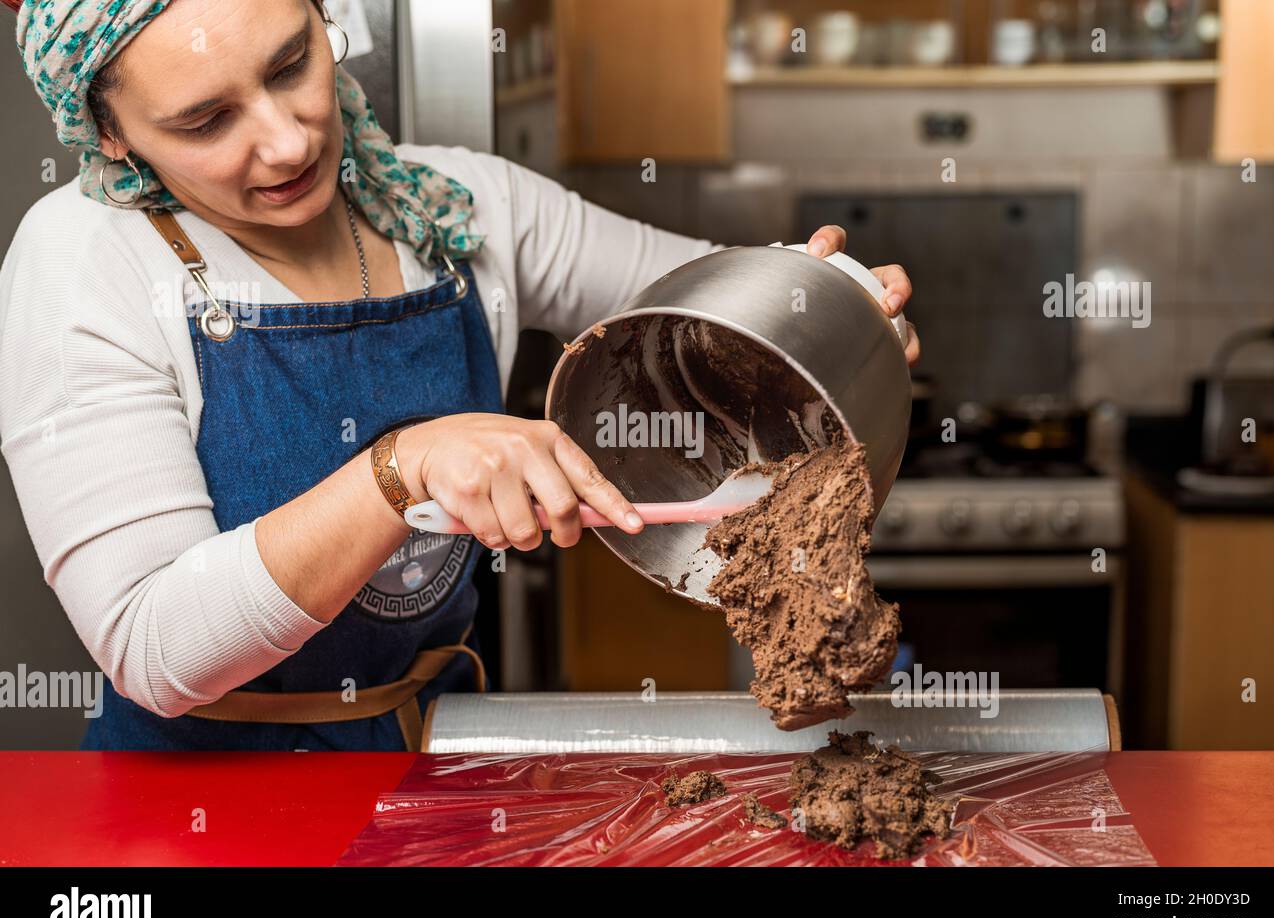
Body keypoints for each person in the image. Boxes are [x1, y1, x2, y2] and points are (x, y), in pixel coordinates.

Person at [0, 0, 918, 750]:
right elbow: (153, 645)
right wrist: (400, 470)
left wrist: (832, 303)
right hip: (199, 811)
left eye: (291, 66)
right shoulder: (85, 259)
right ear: (110, 133)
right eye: (206, 120)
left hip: (443, 763)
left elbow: (724, 302)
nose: (285, 142)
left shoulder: (453, 206)